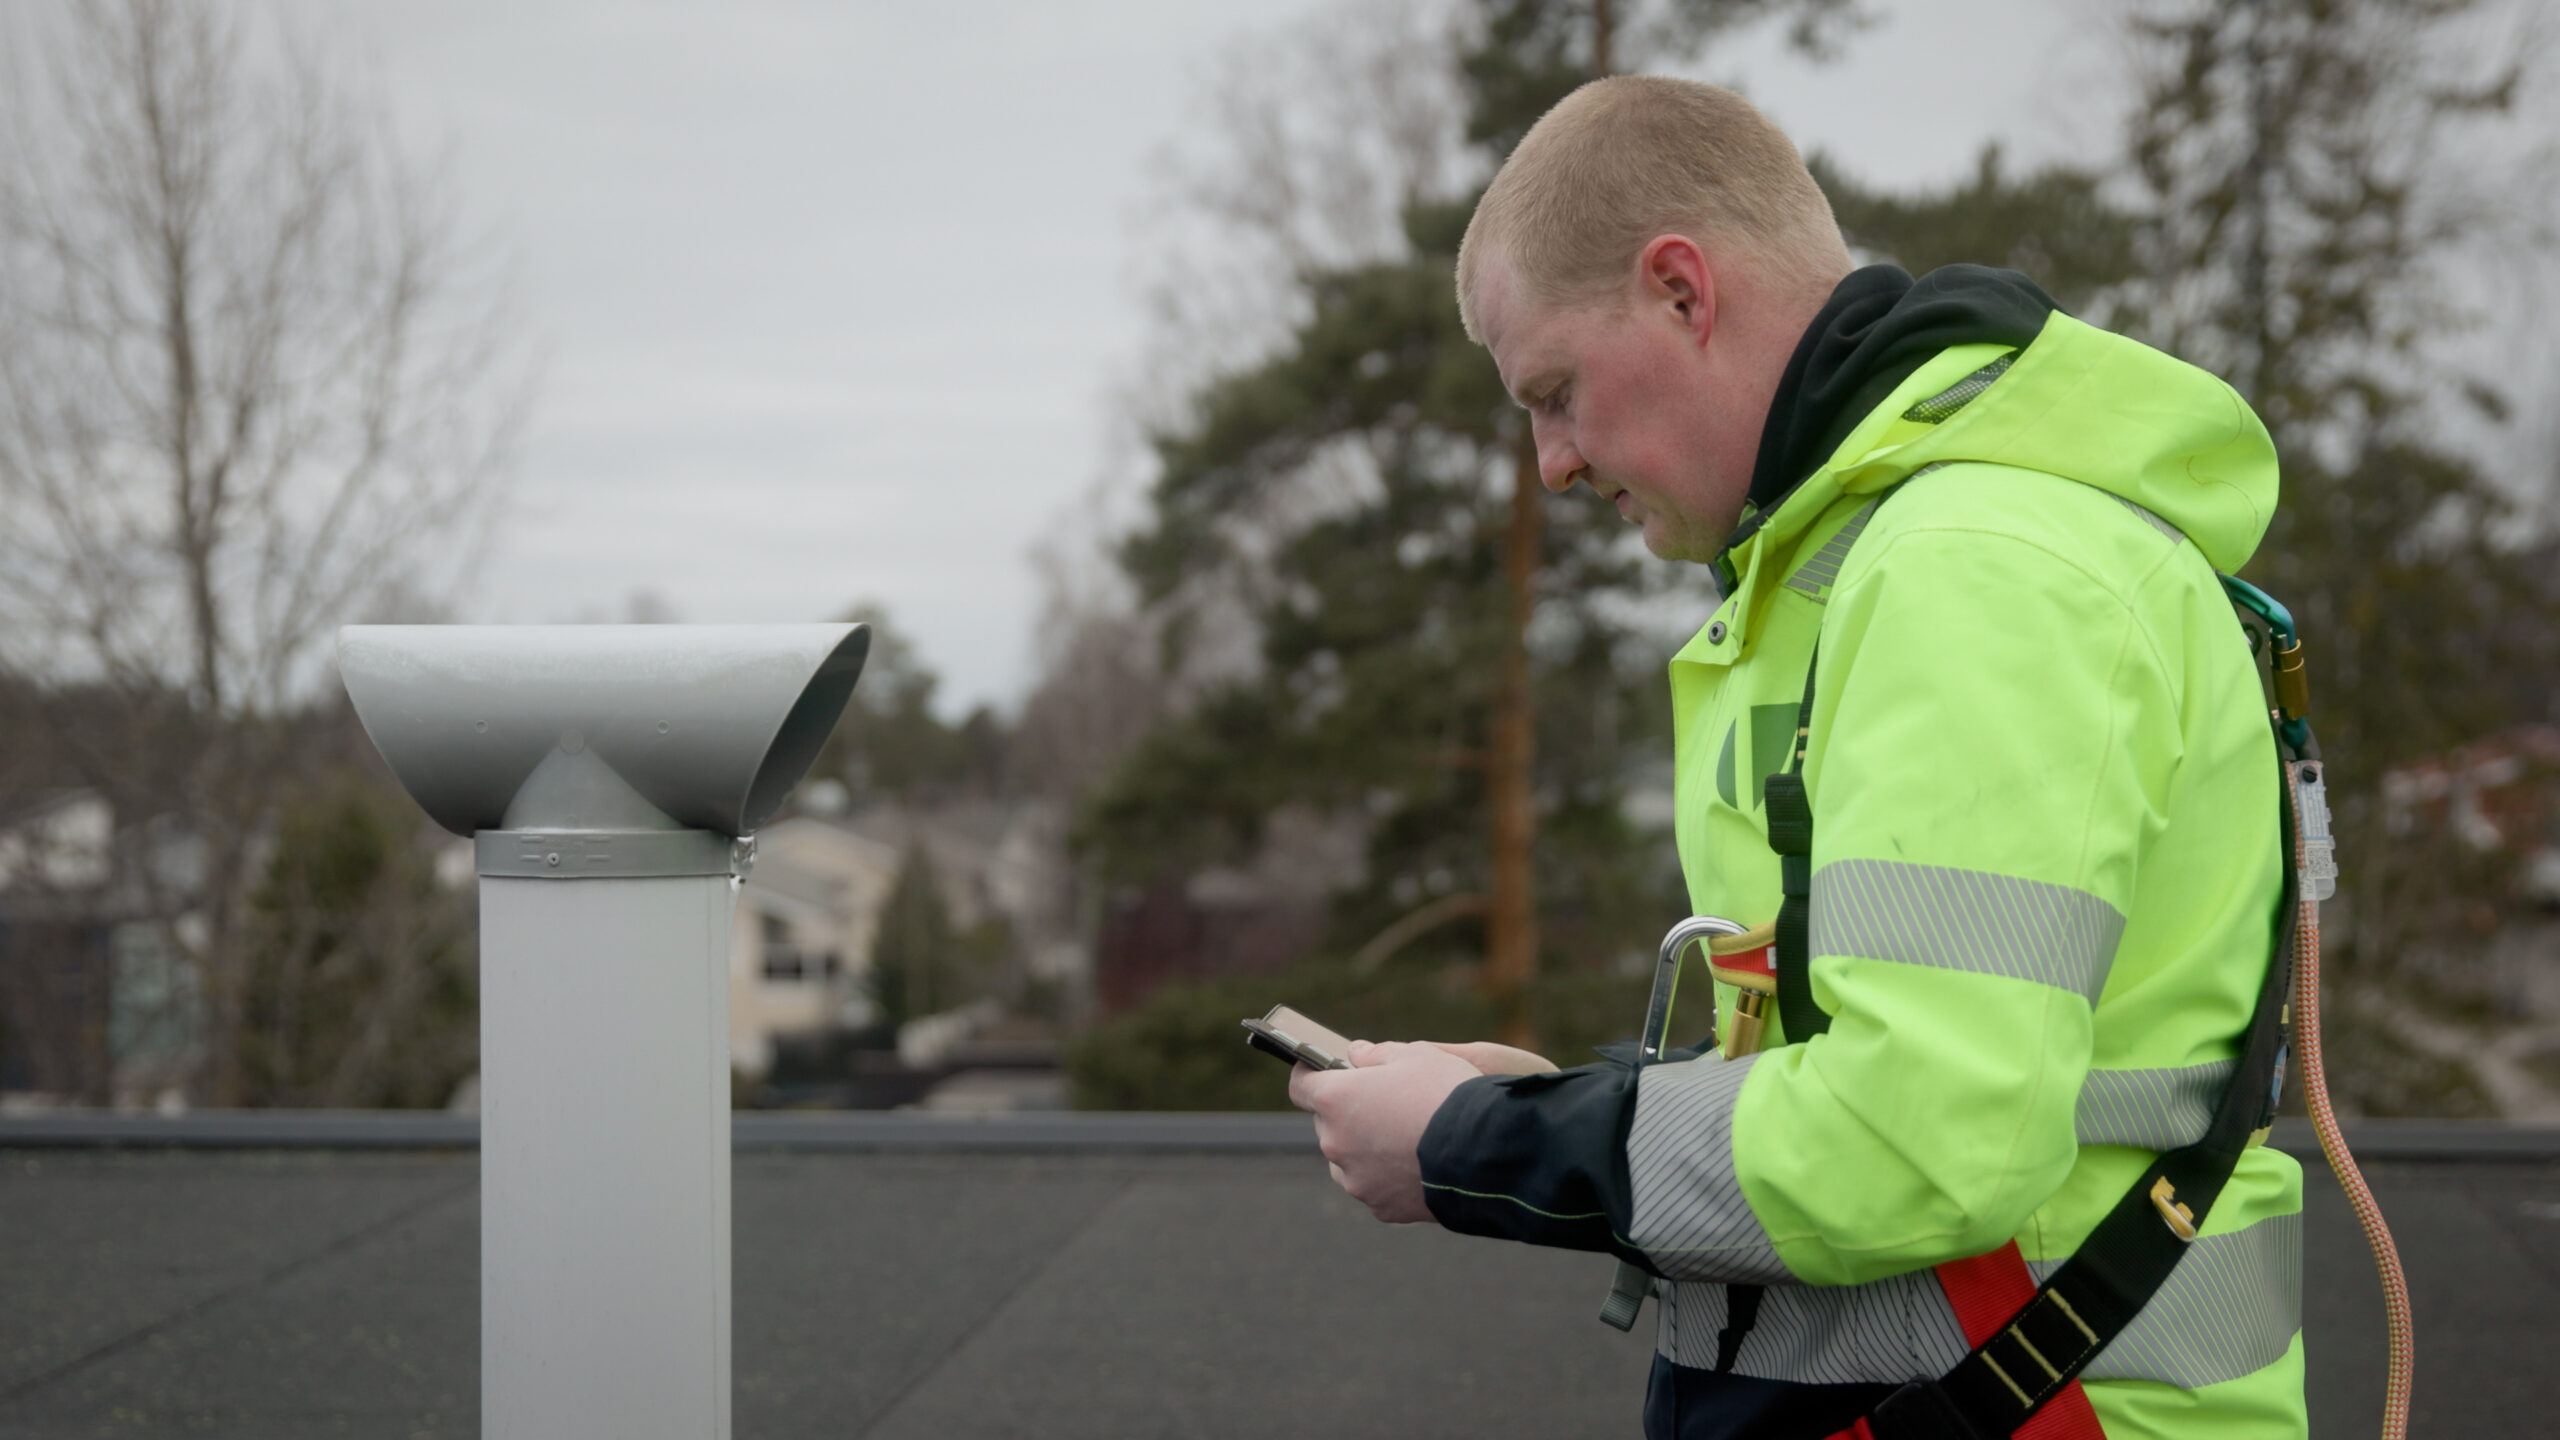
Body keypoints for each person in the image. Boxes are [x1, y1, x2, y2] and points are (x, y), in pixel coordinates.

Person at [1289, 76, 2306, 1440]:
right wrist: (1552, 1098)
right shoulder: (1868, 564)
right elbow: (1853, 1064)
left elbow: (1918, 1141)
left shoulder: (1975, 570)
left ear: (1681, 293)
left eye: (1555, 392)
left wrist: (1483, 1146)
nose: (1549, 466)